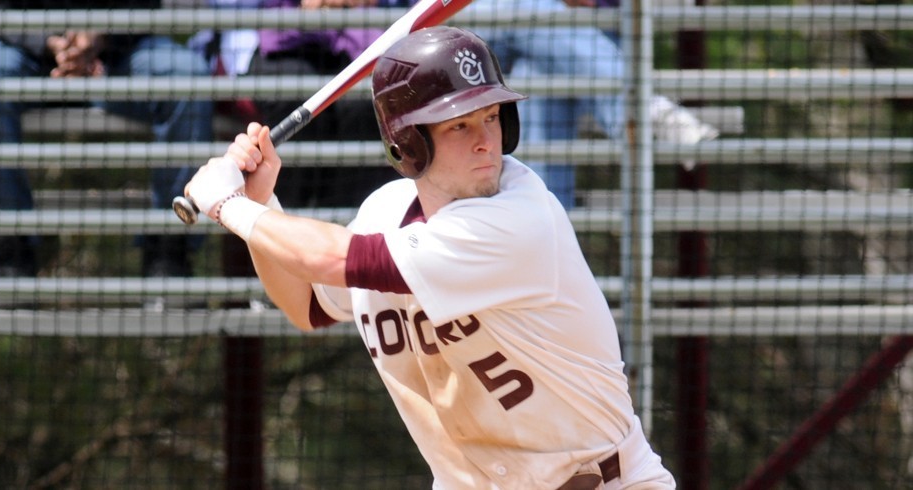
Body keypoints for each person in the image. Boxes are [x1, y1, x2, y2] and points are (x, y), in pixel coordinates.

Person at [184, 26, 676, 488]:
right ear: (408, 144)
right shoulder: (385, 212)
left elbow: (334, 260)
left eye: (491, 116)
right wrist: (263, 200)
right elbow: (305, 303)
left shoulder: (520, 217)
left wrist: (231, 206)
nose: (487, 140)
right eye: (460, 125)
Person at [0, 0, 213, 277]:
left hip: (118, 53)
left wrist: (100, 32)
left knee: (188, 75)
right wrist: (45, 38)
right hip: (16, 49)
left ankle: (169, 251)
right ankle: (8, 254)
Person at [468, 0, 719, 208]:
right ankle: (648, 111)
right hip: (492, 28)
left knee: (537, 77)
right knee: (528, 5)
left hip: (592, 36)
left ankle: (541, 227)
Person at [191, 0, 401, 208]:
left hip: (364, 40)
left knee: (364, 104)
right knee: (290, 97)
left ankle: (349, 225)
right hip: (277, 42)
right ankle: (286, 215)